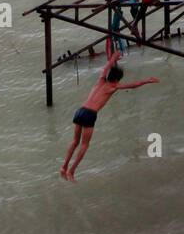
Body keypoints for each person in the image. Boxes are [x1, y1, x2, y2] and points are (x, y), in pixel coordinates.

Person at [59, 47, 159, 181]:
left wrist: (113, 58)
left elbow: (105, 68)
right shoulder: (113, 86)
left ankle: (64, 167)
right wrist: (147, 81)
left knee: (75, 141)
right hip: (90, 114)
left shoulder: (101, 80)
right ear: (117, 80)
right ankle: (71, 171)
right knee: (84, 145)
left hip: (80, 110)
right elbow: (132, 85)